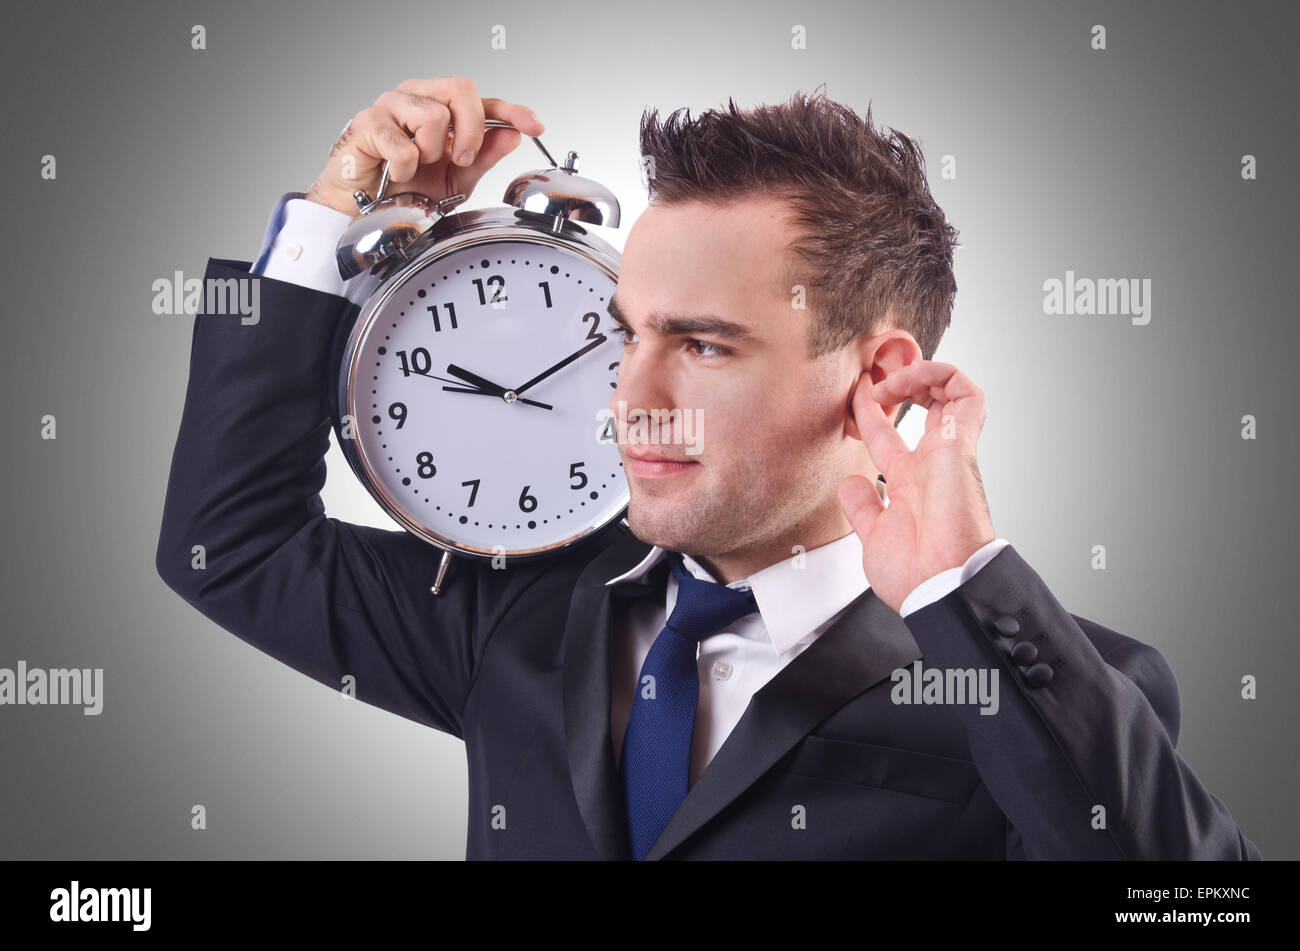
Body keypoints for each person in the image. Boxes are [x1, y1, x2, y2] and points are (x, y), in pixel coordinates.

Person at [156, 76, 1261, 860]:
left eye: (701, 344)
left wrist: (962, 589)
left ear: (877, 378)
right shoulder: (515, 617)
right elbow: (231, 546)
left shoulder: (1036, 686)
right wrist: (330, 219)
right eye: (621, 334)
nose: (626, 399)